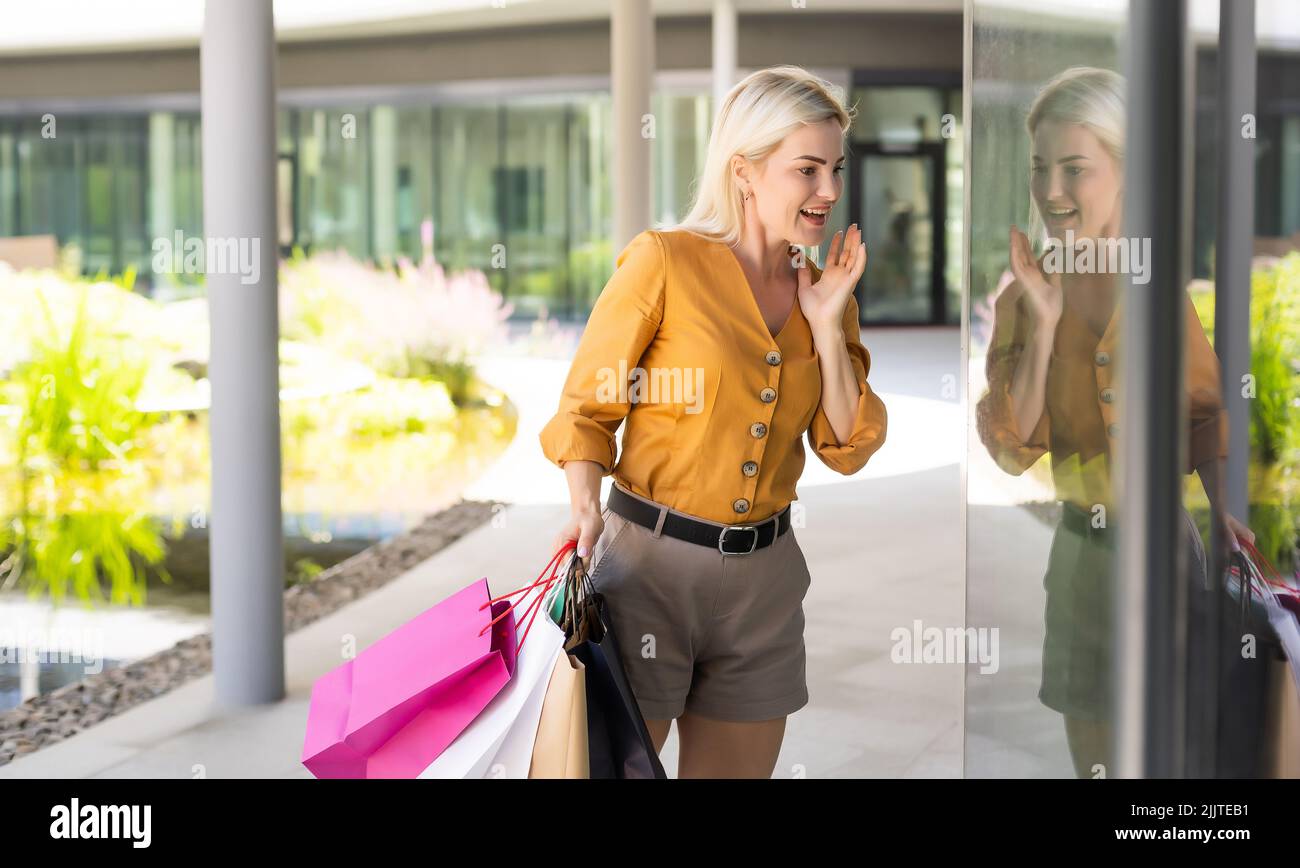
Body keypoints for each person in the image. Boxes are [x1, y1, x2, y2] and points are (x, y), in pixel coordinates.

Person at [539, 66, 888, 778]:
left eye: (835, 169)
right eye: (808, 169)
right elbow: (587, 407)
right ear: (745, 171)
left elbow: (847, 445)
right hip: (647, 573)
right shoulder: (664, 262)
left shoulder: (826, 292)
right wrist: (583, 507)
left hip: (765, 584)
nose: (829, 191)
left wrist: (824, 322)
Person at [975, 66, 1254, 778]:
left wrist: (1226, 516)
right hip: (1079, 565)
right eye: (1041, 168)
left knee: (1174, 764)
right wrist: (1041, 323)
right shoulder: (1024, 297)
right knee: (1097, 765)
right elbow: (1012, 448)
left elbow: (1203, 414)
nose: (1052, 191)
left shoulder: (1156, 291)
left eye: (1076, 168)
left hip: (1168, 558)